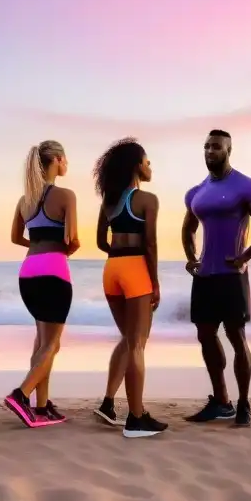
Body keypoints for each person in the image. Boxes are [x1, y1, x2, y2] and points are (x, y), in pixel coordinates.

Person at [182, 129, 251, 427]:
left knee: (237, 337)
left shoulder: (246, 186)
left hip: (232, 276)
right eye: (207, 146)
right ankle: (221, 401)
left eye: (217, 147)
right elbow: (188, 228)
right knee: (205, 336)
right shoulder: (196, 192)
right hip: (205, 276)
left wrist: (245, 256)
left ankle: (244, 403)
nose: (210, 151)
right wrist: (191, 257)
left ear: (229, 150)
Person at [92, 138, 167, 438]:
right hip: (136, 269)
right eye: (147, 162)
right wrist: (155, 281)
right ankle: (136, 417)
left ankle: (108, 404)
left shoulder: (109, 201)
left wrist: (118, 256)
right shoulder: (147, 200)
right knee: (137, 343)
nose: (150, 167)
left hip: (112, 269)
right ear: (137, 166)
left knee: (127, 339)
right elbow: (150, 243)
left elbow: (100, 240)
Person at [3, 140, 78, 427]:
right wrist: (59, 248)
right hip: (54, 273)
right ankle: (21, 395)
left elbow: (15, 238)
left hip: (28, 272)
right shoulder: (66, 196)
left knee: (42, 341)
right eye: (65, 159)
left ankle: (43, 406)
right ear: (57, 160)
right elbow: (72, 241)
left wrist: (37, 244)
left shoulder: (25, 200)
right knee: (53, 344)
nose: (67, 164)